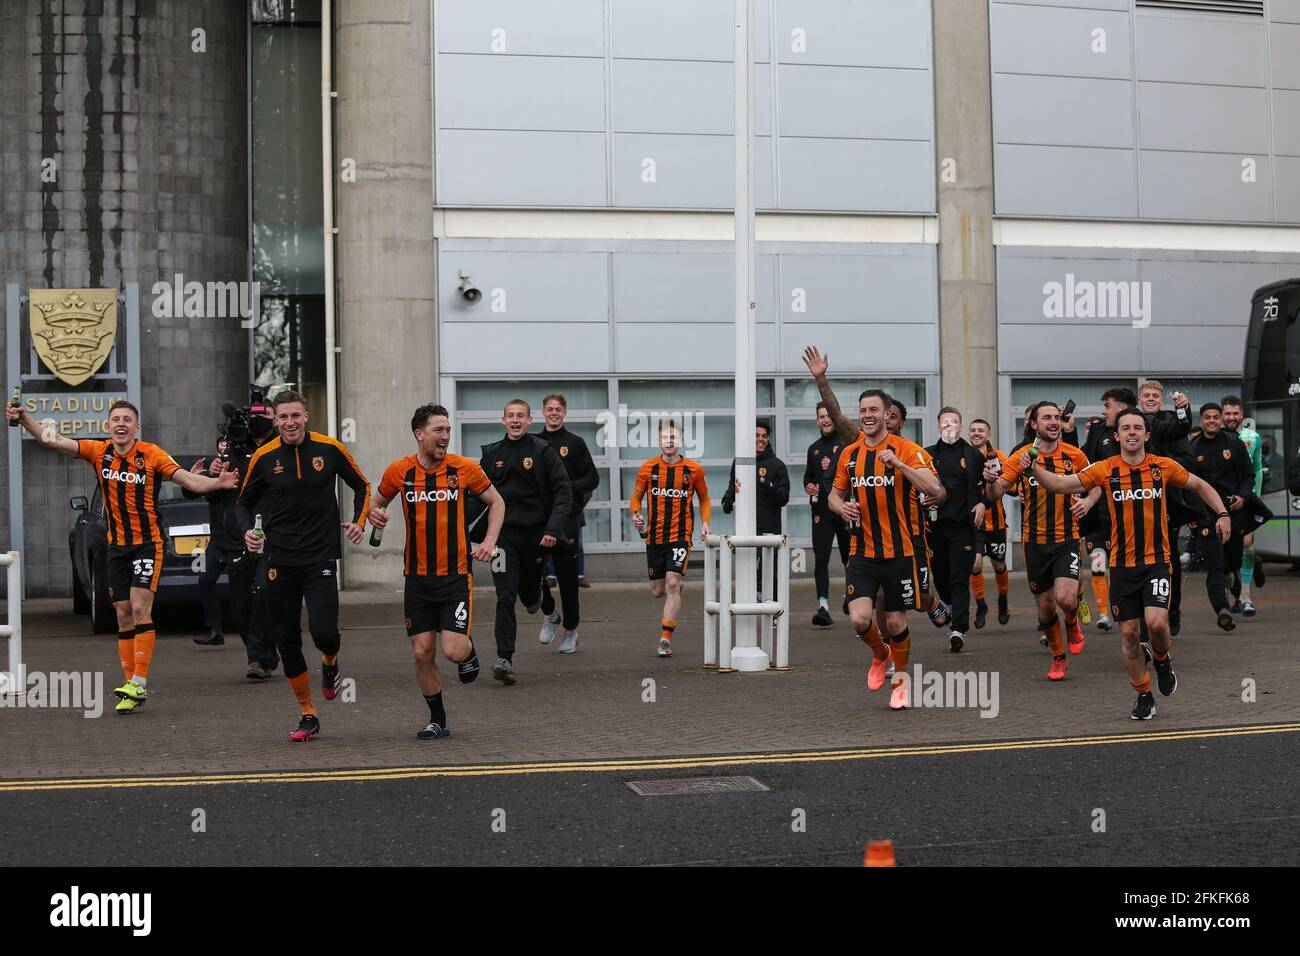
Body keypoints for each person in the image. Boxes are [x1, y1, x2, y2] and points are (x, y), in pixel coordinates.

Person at [8, 399, 239, 713]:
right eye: (116, 419)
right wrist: (24, 419)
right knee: (122, 613)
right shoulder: (98, 451)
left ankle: (139, 681)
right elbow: (52, 440)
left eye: (127, 419)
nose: (121, 424)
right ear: (108, 426)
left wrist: (217, 483)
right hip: (116, 547)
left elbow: (186, 479)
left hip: (148, 543)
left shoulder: (151, 454)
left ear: (136, 426)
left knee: (141, 606)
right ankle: (132, 686)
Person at [1030, 409, 1232, 720]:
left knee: (1156, 624)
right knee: (1128, 635)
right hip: (1122, 567)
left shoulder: (1162, 467)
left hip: (1156, 563)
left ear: (1147, 435)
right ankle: (1144, 695)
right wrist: (1033, 466)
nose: (1132, 432)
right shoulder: (1106, 469)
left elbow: (1201, 486)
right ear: (1118, 435)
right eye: (1126, 428)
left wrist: (1222, 514)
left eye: (1138, 427)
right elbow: (1060, 484)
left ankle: (1162, 659)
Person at [238, 390, 371, 741]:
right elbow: (242, 504)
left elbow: (362, 485)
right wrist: (247, 533)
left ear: (306, 416)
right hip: (278, 559)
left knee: (325, 633)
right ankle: (308, 713)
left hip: (319, 558)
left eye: (295, 416)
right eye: (282, 417)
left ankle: (330, 663)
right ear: (275, 420)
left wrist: (359, 521)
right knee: (286, 639)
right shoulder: (264, 457)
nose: (289, 423)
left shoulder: (329, 449)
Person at [367, 405, 505, 740]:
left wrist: (488, 541)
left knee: (453, 651)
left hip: (455, 577)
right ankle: (437, 720)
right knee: (421, 651)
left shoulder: (465, 468)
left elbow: (497, 502)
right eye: (438, 430)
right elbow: (376, 502)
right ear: (420, 434)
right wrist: (374, 515)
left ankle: (469, 651)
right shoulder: (400, 471)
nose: (445, 436)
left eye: (447, 430)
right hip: (416, 578)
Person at [828, 389, 945, 710]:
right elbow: (833, 496)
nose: (868, 415)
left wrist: (899, 465)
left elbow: (936, 489)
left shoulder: (906, 450)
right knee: (859, 619)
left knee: (895, 623)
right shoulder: (850, 454)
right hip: (862, 551)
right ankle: (881, 654)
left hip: (901, 552)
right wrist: (842, 508)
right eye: (863, 410)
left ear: (886, 413)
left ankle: (902, 682)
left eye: (874, 410)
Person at [985, 401, 1098, 681]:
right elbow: (996, 493)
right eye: (1046, 418)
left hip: (1067, 539)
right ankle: (1058, 658)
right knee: (1046, 608)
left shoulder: (1075, 455)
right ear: (1034, 425)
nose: (1053, 422)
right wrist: (988, 479)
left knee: (1066, 598)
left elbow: (1097, 484)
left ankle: (1072, 623)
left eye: (1056, 418)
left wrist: (1087, 502)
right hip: (1034, 541)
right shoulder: (1022, 457)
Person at [475, 399, 573, 684]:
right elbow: (475, 496)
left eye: (521, 416)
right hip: (502, 536)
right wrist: (459, 529)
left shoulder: (543, 451)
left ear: (530, 420)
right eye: (510, 416)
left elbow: (563, 491)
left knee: (529, 597)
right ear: (502, 420)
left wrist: (553, 529)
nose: (515, 420)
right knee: (505, 596)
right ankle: (504, 658)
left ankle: (539, 599)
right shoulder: (492, 453)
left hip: (537, 537)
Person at [188, 402, 281, 679]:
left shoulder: (282, 448)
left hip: (271, 537)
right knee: (240, 606)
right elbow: (204, 492)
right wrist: (211, 475)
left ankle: (259, 657)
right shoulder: (232, 450)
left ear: (274, 418)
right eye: (255, 415)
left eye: (264, 414)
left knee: (263, 594)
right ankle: (261, 652)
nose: (258, 420)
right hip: (234, 539)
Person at [629, 420, 711, 657]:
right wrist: (636, 515)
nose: (669, 441)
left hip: (680, 536)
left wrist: (705, 523)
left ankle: (665, 639)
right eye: (665, 437)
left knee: (672, 584)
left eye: (673, 437)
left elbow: (704, 499)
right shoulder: (648, 468)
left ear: (681, 441)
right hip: (654, 538)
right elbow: (635, 498)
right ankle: (673, 585)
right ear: (658, 441)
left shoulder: (693, 470)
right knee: (658, 590)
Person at [535, 393, 600, 654]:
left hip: (567, 521)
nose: (553, 413)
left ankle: (571, 630)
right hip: (538, 521)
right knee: (533, 576)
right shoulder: (534, 442)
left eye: (558, 409)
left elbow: (592, 479)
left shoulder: (575, 443)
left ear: (564, 413)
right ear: (543, 413)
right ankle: (550, 613)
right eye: (549, 409)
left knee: (568, 580)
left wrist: (566, 489)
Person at [1136, 380, 1195, 635]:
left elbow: (1183, 438)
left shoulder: (1169, 422)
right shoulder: (1131, 421)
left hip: (1166, 501)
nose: (1150, 398)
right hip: (1135, 499)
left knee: (1169, 558)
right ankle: (1141, 616)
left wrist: (1183, 410)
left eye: (1155, 395)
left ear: (1161, 400)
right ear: (1139, 399)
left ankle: (1173, 611)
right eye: (1146, 395)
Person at [1188, 402, 1253, 632]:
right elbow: (1188, 485)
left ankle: (1233, 579)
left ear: (1220, 419)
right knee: (1215, 566)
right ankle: (1222, 609)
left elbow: (1248, 475)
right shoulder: (1193, 448)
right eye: (1208, 417)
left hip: (1233, 511)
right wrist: (1193, 514)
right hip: (1207, 516)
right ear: (1202, 420)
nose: (1212, 421)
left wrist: (1243, 497)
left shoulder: (1233, 443)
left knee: (1232, 562)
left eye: (1216, 417)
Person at [924, 407, 984, 652]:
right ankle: (947, 605)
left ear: (961, 427)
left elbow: (989, 486)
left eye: (955, 422)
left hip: (963, 529)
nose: (950, 426)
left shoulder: (972, 456)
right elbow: (917, 487)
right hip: (936, 528)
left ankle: (958, 629)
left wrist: (983, 502)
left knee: (960, 579)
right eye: (945, 422)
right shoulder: (927, 455)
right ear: (939, 427)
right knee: (941, 577)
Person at [1077, 387, 1135, 633]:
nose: (1104, 410)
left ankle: (1126, 611)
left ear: (1122, 408)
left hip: (1126, 516)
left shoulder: (1137, 434)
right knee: (1098, 563)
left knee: (1123, 568)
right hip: (1097, 517)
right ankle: (1103, 613)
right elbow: (1083, 465)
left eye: (1108, 405)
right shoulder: (1099, 431)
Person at [722, 419, 790, 595]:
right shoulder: (739, 461)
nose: (761, 439)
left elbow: (783, 498)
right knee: (747, 568)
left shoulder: (777, 465)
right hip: (746, 528)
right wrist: (727, 500)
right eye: (756, 436)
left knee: (770, 573)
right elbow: (733, 485)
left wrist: (767, 485)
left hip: (769, 529)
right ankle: (752, 601)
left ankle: (775, 614)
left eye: (764, 436)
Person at [804, 402, 852, 626]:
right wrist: (809, 487)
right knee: (821, 558)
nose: (825, 420)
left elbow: (854, 475)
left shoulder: (847, 445)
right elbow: (808, 477)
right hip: (821, 511)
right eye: (821, 416)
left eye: (829, 415)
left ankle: (851, 596)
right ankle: (822, 606)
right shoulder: (813, 448)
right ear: (817, 420)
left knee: (849, 558)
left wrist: (832, 465)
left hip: (843, 510)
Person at [1221, 396, 1264, 615]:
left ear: (1242, 415)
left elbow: (1256, 469)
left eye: (1235, 413)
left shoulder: (1253, 438)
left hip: (1246, 499)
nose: (1231, 417)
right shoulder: (1215, 438)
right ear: (1221, 415)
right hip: (1220, 502)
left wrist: (1255, 498)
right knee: (1225, 550)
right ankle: (1234, 591)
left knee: (1247, 543)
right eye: (1227, 413)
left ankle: (1246, 596)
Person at [968, 419, 1011, 628]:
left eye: (981, 430)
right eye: (973, 430)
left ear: (988, 435)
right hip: (973, 522)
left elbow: (1009, 485)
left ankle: (1003, 600)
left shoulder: (998, 456)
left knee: (999, 564)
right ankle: (981, 605)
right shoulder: (964, 455)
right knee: (975, 565)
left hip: (996, 522)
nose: (976, 433)